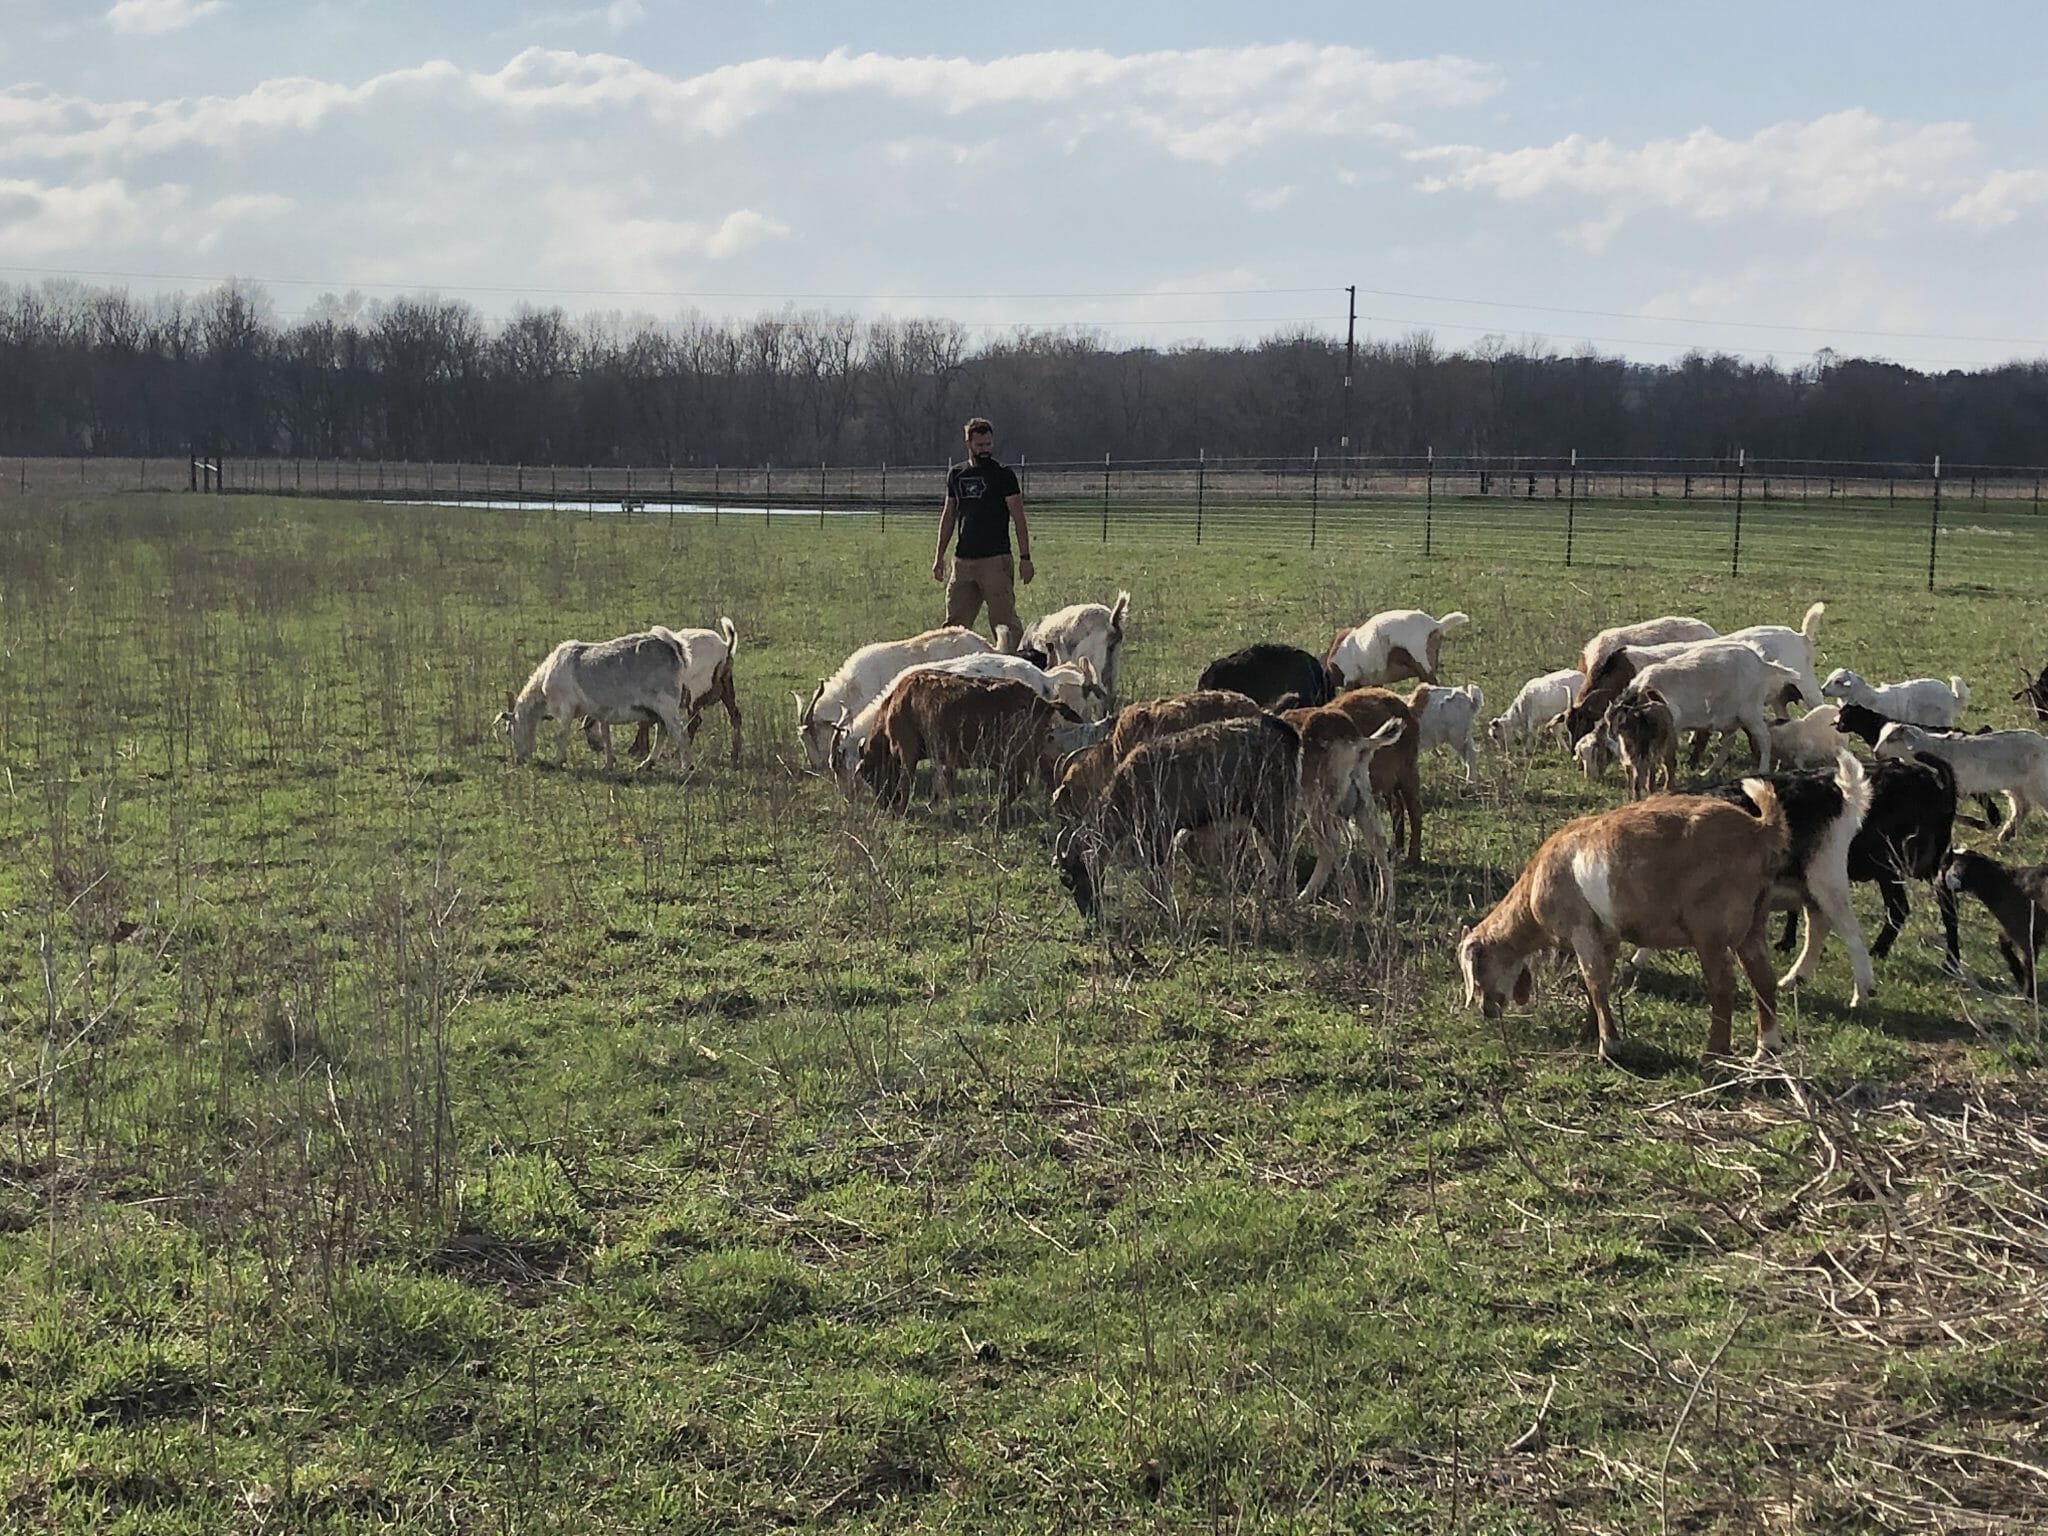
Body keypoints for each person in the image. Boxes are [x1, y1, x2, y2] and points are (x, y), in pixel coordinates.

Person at [933, 417, 1033, 646]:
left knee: (1005, 625)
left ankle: (1016, 670)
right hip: (963, 561)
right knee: (953, 628)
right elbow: (949, 516)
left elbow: (1019, 518)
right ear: (969, 444)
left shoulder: (1003, 475)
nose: (985, 450)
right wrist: (939, 556)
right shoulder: (956, 474)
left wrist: (1025, 557)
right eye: (980, 446)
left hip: (995, 561)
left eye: (988, 444)